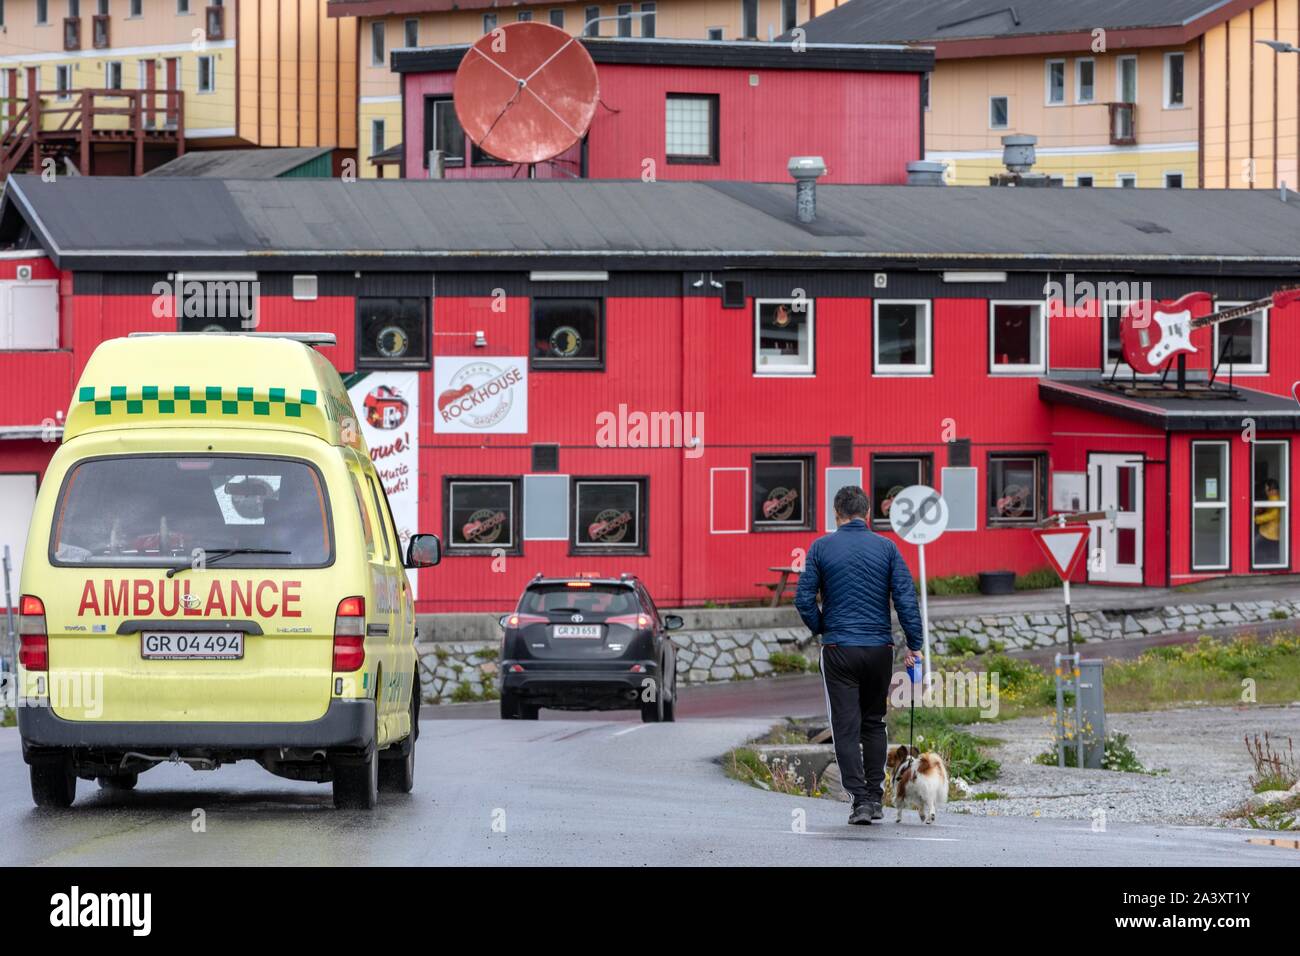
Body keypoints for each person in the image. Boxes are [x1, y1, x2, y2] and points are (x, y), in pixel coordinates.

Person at [794, 484, 924, 825]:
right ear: (867, 513)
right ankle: (876, 797)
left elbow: (803, 599)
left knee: (845, 727)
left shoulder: (820, 548)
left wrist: (823, 627)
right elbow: (905, 598)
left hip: (839, 649)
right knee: (874, 722)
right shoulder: (888, 548)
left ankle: (861, 802)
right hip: (880, 648)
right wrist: (915, 643)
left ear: (836, 513)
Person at [1254, 478, 1283, 566]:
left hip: (1270, 531)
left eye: (1267, 488)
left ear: (1272, 490)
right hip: (1269, 530)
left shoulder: (1275, 499)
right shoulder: (1273, 498)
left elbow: (1273, 514)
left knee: (1255, 545)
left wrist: (1257, 519)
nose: (1266, 490)